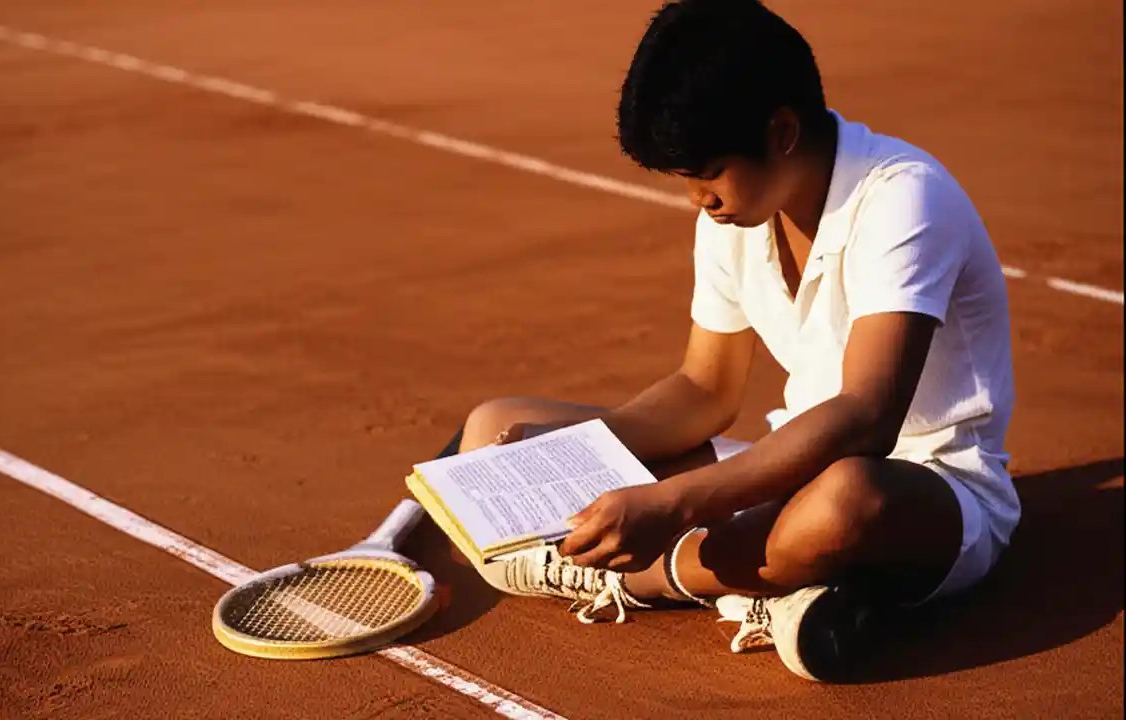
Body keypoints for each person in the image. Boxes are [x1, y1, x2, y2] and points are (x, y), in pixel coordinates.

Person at [436, 0, 1020, 682]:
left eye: (707, 173)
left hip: (928, 491)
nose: (698, 201)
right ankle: (792, 590)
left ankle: (642, 579)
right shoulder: (734, 216)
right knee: (493, 426)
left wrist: (672, 505)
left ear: (781, 131)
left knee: (843, 504)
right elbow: (703, 389)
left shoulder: (903, 198)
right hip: (786, 467)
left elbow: (868, 417)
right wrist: (578, 448)